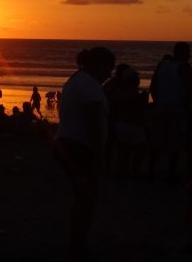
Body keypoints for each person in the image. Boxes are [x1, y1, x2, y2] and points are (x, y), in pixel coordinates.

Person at [54, 47, 115, 257]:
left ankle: (77, 242)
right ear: (98, 65)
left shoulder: (77, 80)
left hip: (70, 144)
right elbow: (92, 122)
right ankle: (77, 245)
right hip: (79, 146)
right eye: (109, 68)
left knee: (84, 197)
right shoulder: (89, 85)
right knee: (87, 198)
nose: (110, 74)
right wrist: (100, 154)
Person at [148, 42, 192, 183]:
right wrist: (187, 108)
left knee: (157, 141)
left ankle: (151, 171)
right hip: (177, 108)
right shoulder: (184, 68)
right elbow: (189, 90)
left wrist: (157, 102)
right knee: (174, 142)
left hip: (161, 107)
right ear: (184, 54)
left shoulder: (162, 66)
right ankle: (171, 173)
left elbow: (153, 87)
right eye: (188, 54)